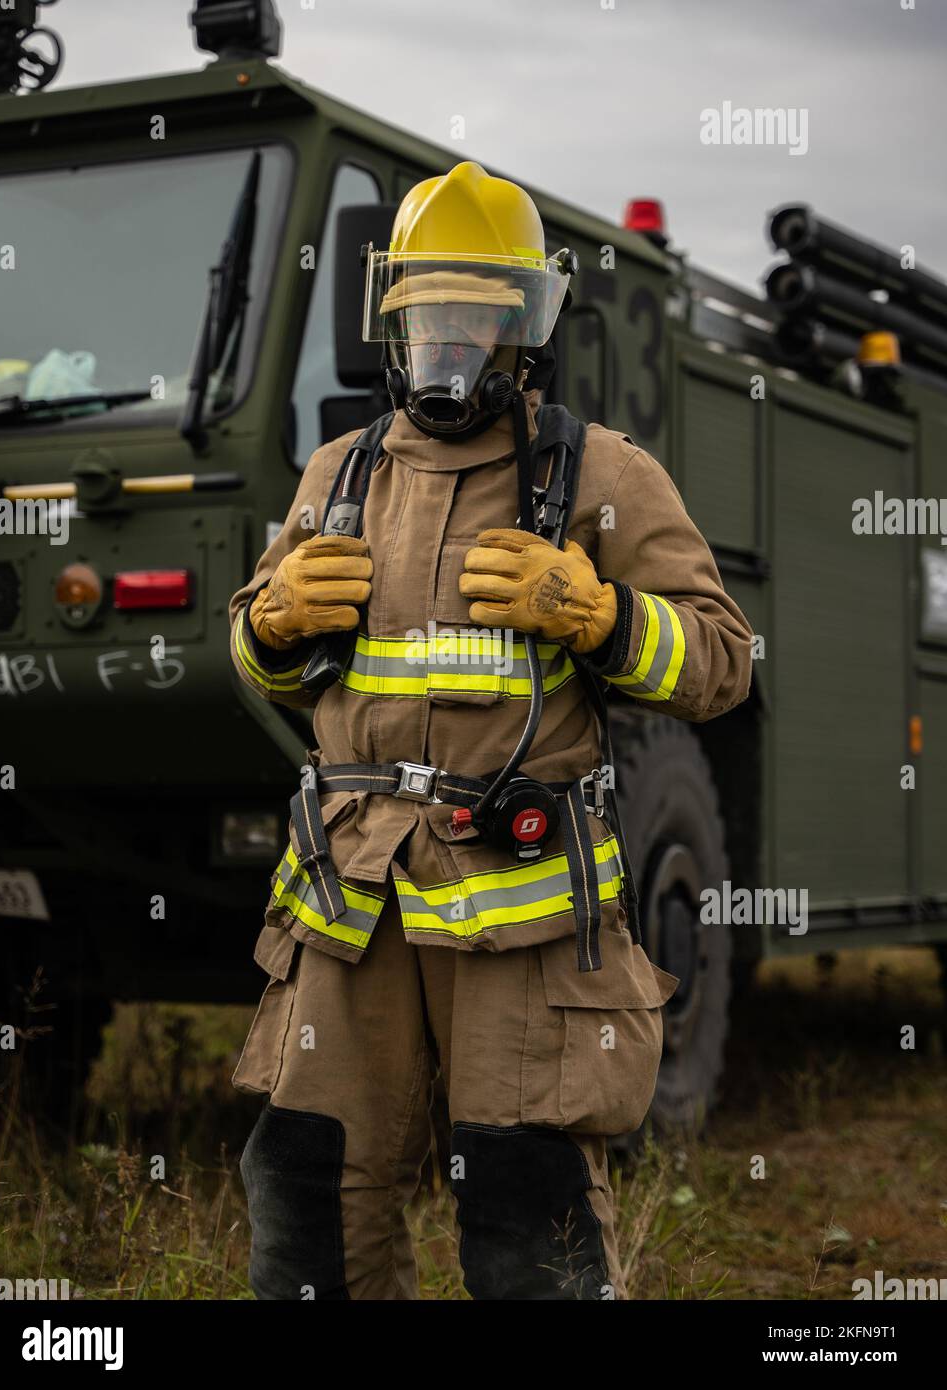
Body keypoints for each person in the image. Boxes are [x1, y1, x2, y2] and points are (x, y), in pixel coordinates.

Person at [229, 161, 753, 1300]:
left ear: (524, 327)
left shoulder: (601, 474)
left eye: (478, 316)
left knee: (525, 1198)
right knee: (311, 1184)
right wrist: (268, 622)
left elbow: (723, 661)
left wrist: (602, 614)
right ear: (394, 318)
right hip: (347, 901)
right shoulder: (339, 473)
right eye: (429, 314)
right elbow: (266, 658)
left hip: (519, 912)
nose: (449, 343)